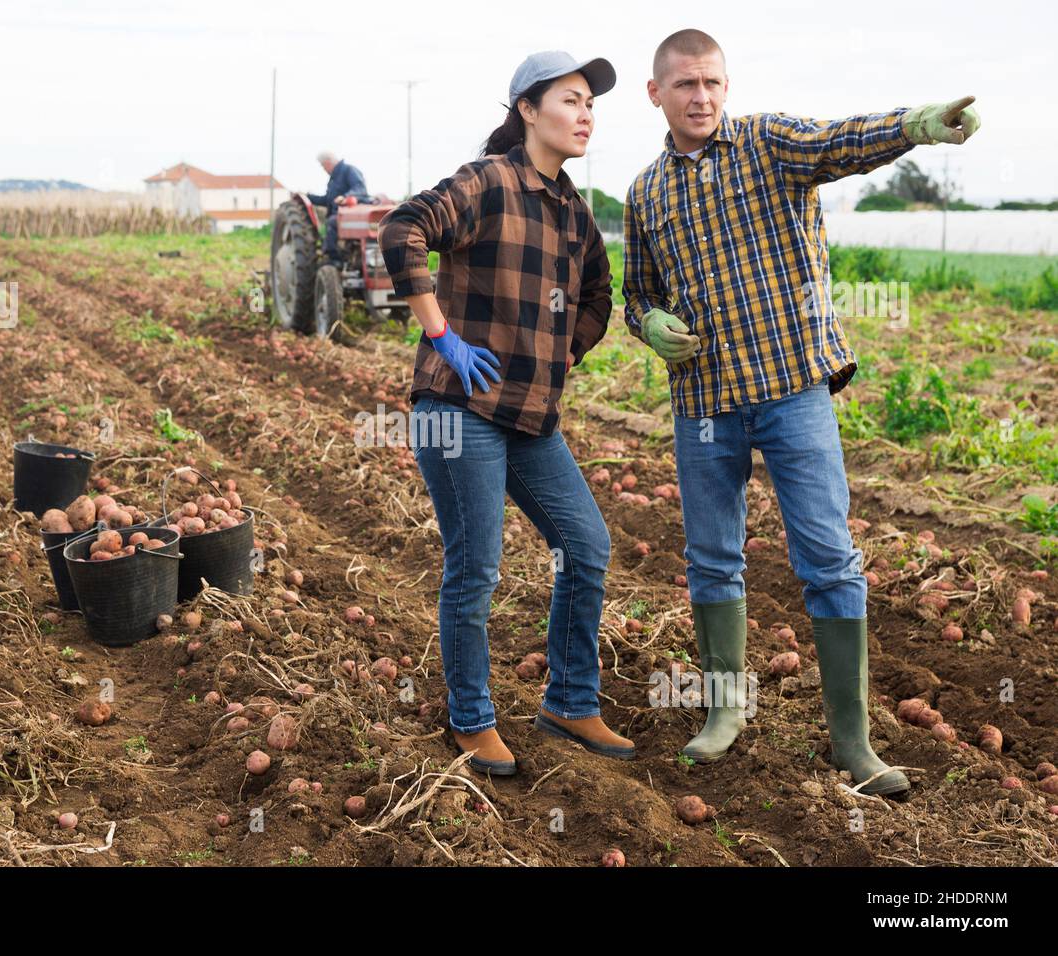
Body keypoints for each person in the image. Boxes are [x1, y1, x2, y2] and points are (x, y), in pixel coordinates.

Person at [621, 28, 980, 796]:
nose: (702, 97)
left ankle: (853, 743)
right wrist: (647, 322)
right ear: (657, 93)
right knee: (713, 556)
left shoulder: (768, 143)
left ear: (727, 85)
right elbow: (637, 291)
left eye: (713, 83)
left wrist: (917, 125)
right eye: (685, 85)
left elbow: (845, 141)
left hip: (792, 387)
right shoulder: (645, 191)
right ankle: (724, 711)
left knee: (828, 558)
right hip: (705, 402)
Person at [378, 51, 629, 776]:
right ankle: (470, 719)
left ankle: (571, 700)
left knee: (586, 547)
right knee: (477, 567)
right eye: (572, 100)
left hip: (529, 415)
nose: (585, 115)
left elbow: (597, 299)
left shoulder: (576, 213)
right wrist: (441, 335)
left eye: (591, 105)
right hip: (458, 408)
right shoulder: (488, 182)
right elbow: (404, 229)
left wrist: (555, 358)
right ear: (527, 108)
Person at [307, 152, 370, 266]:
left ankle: (334, 259)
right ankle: (338, 259)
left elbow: (360, 189)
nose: (324, 169)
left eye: (323, 166)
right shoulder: (333, 181)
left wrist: (345, 197)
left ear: (328, 162)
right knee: (332, 221)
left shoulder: (349, 170)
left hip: (353, 214)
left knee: (332, 222)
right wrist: (309, 197)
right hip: (339, 214)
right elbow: (327, 201)